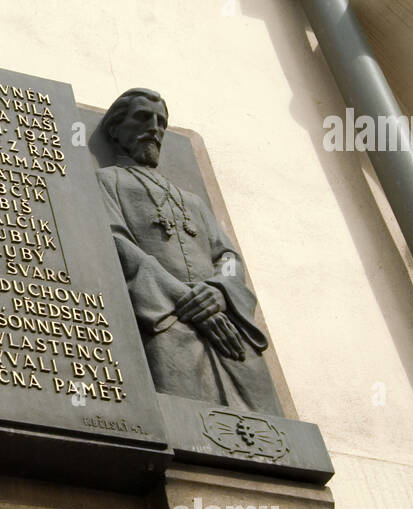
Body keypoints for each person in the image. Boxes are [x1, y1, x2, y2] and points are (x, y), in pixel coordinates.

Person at [96, 87, 281, 414]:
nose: (154, 128)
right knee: (185, 421)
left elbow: (228, 257)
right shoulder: (107, 181)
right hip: (167, 321)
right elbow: (116, 243)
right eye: (142, 117)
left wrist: (220, 292)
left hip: (227, 326)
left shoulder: (192, 200)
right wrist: (185, 300)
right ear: (115, 129)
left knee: (265, 429)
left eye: (161, 122)